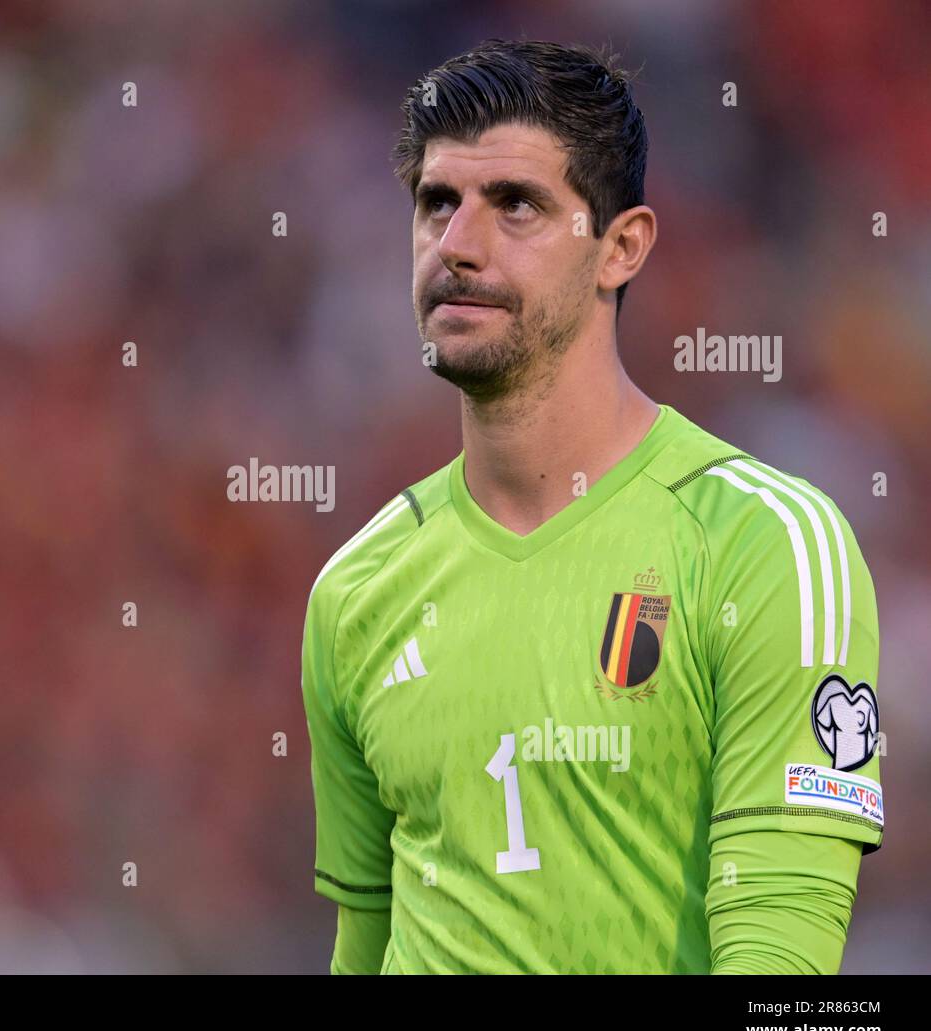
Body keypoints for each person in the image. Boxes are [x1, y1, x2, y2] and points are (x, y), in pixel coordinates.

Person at [301, 39, 883, 974]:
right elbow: (364, 946)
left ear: (621, 247)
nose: (458, 244)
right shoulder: (355, 590)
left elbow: (785, 968)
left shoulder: (764, 544)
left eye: (515, 206)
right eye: (437, 203)